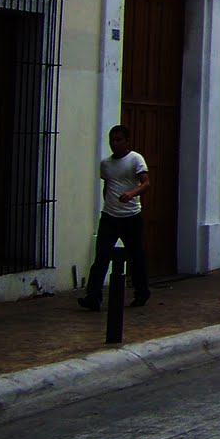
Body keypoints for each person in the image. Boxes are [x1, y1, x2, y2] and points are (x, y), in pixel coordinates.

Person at [78, 124, 152, 310]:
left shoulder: (135, 159)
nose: (115, 143)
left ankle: (141, 292)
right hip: (110, 216)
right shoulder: (106, 164)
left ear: (127, 142)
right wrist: (109, 203)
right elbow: (107, 186)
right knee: (101, 256)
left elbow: (146, 183)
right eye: (112, 140)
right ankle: (93, 297)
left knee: (136, 255)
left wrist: (131, 194)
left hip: (131, 216)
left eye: (119, 139)